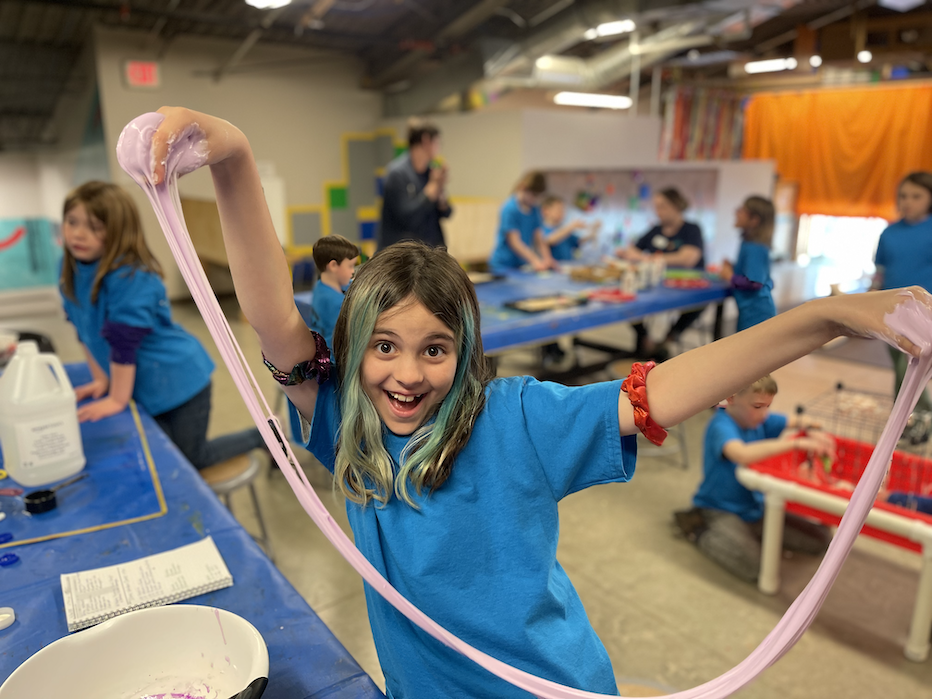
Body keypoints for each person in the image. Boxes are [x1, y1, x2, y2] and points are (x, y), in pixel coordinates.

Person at [146, 106, 929, 699]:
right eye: (384, 346)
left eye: (434, 349)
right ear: (354, 354)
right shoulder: (346, 428)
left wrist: (820, 318)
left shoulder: (514, 418)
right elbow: (274, 320)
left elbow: (665, 389)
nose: (407, 374)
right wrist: (233, 155)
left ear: (466, 353)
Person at [58, 181, 264, 470]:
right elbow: (82, 329)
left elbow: (122, 344)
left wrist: (117, 399)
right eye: (72, 221)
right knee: (160, 456)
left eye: (94, 226)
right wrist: (102, 380)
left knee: (192, 459)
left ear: (118, 230)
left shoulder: (132, 277)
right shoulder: (68, 269)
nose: (78, 233)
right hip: (145, 383)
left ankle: (264, 437)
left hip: (179, 381)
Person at [675, 375, 834, 583]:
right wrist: (795, 444)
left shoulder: (758, 419)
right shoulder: (720, 425)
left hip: (756, 507)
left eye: (768, 406)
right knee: (755, 567)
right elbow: (741, 454)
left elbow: (800, 421)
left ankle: (749, 537)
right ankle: (698, 529)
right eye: (758, 406)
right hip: (720, 509)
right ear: (730, 399)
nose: (765, 413)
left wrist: (813, 431)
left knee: (821, 540)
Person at [617, 187, 706, 360]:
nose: (659, 211)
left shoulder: (691, 229)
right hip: (654, 285)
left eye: (663, 206)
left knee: (699, 304)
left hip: (686, 288)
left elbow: (688, 258)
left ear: (677, 205)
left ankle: (670, 337)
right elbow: (632, 251)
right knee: (629, 301)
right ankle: (645, 340)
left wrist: (646, 257)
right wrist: (628, 254)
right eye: (656, 207)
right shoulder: (655, 230)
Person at [874, 172, 932, 426]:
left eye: (916, 196)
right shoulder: (889, 232)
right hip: (892, 309)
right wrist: (870, 300)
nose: (908, 201)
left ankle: (912, 422)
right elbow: (880, 272)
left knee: (908, 368)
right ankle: (907, 423)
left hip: (924, 311)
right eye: (904, 196)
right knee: (902, 368)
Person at [377, 118, 451, 250]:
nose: (439, 148)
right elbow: (407, 218)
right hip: (401, 255)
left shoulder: (430, 172)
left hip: (429, 250)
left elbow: (447, 213)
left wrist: (440, 191)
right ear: (426, 140)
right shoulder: (397, 174)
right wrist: (431, 189)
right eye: (437, 142)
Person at [720, 196, 777, 332]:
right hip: (750, 312)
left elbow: (755, 282)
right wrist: (734, 267)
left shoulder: (754, 247)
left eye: (742, 210)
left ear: (754, 220)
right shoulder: (750, 244)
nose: (737, 212)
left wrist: (730, 276)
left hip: (756, 315)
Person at [488, 171, 558, 272]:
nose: (535, 200)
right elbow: (514, 242)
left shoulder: (534, 210)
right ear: (523, 187)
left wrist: (548, 259)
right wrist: (535, 260)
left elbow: (539, 238)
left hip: (520, 265)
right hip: (503, 264)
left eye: (538, 196)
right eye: (534, 195)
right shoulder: (509, 208)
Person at [309, 235, 359, 348]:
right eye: (350, 266)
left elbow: (348, 285)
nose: (352, 271)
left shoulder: (321, 286)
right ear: (333, 266)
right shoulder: (336, 304)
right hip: (336, 359)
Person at [541, 194, 599, 262]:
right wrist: (571, 226)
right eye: (559, 209)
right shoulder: (541, 228)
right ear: (546, 210)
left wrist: (592, 233)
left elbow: (579, 241)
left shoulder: (563, 229)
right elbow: (549, 240)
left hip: (566, 266)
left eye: (563, 210)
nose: (562, 213)